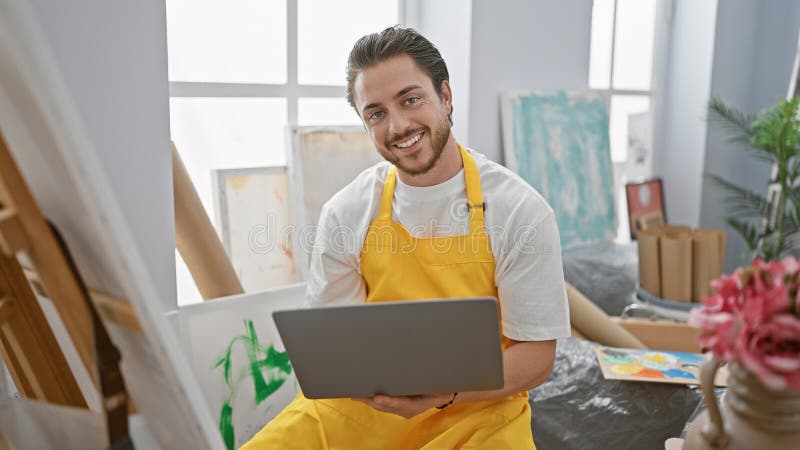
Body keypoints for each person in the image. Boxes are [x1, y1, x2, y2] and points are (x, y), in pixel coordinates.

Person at [242, 26, 570, 449]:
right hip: (363, 410)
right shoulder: (347, 211)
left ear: (445, 97)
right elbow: (333, 346)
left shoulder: (519, 211)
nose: (397, 125)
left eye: (410, 99)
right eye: (376, 113)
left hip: (477, 413)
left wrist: (446, 393)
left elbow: (537, 359)